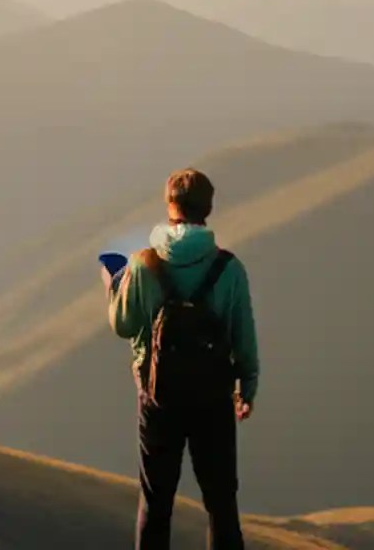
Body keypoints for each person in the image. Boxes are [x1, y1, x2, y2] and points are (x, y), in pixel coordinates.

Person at [104, 168, 259, 550]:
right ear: (208, 207)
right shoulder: (229, 269)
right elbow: (243, 337)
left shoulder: (143, 264)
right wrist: (247, 388)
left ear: (170, 205)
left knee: (156, 503)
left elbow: (124, 325)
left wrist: (114, 288)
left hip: (159, 398)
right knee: (221, 503)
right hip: (212, 398)